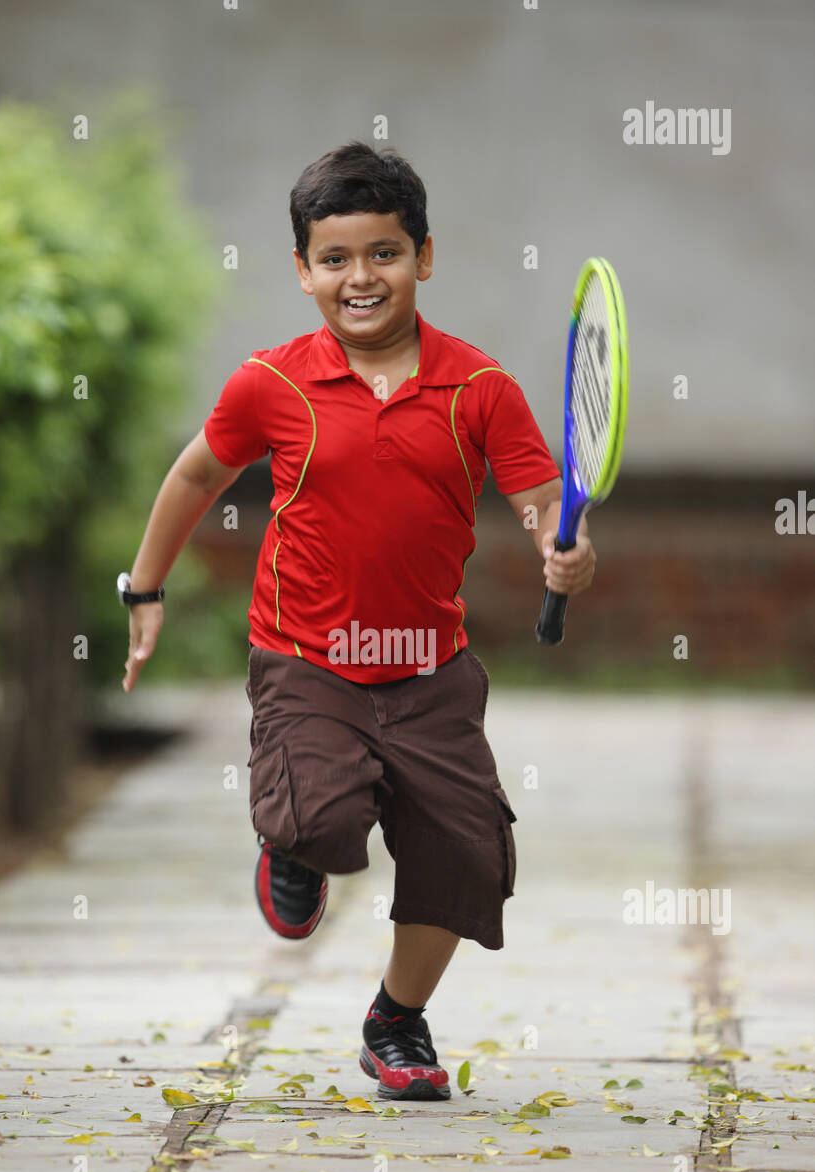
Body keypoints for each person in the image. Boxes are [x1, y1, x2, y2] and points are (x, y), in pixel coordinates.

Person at [120, 141, 595, 1102]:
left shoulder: (479, 388)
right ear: (303, 271)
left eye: (383, 252)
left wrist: (566, 553)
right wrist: (144, 587)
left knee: (467, 852)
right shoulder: (274, 383)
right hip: (306, 660)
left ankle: (397, 1021)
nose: (360, 277)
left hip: (431, 668)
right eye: (334, 259)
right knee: (321, 813)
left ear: (425, 256)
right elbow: (196, 476)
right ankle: (293, 843)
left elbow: (544, 504)